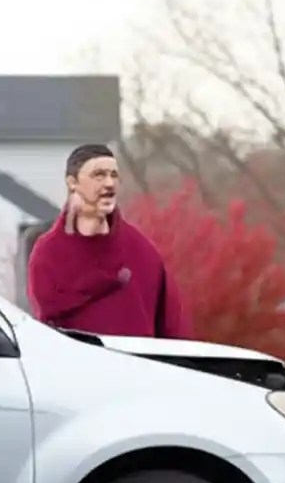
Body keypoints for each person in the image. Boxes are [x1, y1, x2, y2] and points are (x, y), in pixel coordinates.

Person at [27, 144, 191, 339]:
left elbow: (173, 328)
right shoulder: (50, 254)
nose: (109, 184)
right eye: (99, 175)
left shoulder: (141, 251)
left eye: (114, 175)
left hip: (137, 367)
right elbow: (46, 328)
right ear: (72, 182)